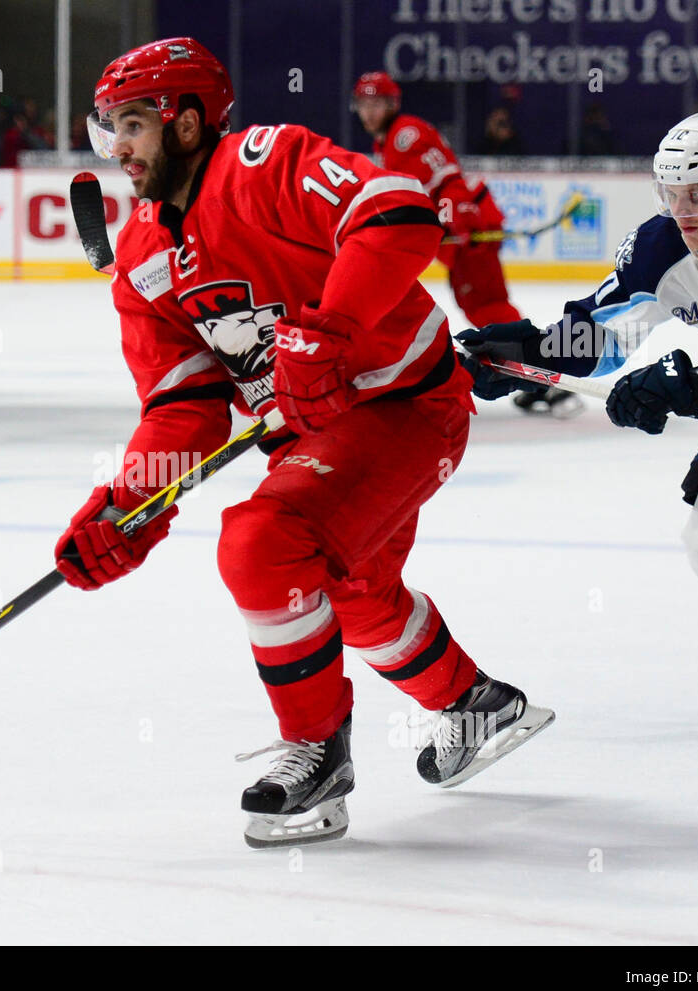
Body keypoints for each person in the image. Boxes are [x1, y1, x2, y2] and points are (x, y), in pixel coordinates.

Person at [59, 38, 553, 848]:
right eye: (107, 128)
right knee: (350, 597)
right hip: (317, 435)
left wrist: (327, 332)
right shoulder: (143, 258)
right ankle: (481, 706)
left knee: (264, 541)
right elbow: (184, 405)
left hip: (405, 404)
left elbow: (398, 211)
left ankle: (318, 753)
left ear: (186, 122)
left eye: (133, 124)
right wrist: (128, 501)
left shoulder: (263, 163)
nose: (117, 147)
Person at [461, 113, 698, 601]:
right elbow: (601, 337)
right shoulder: (660, 248)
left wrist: (696, 387)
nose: (681, 212)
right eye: (671, 194)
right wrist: (525, 355)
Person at [352, 71, 579, 418]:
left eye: (377, 104)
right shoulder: (391, 138)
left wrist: (456, 217)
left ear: (392, 104)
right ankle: (540, 381)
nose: (369, 112)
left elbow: (448, 182)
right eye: (364, 104)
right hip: (461, 230)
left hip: (468, 230)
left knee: (490, 310)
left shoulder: (404, 136)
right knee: (483, 308)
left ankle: (549, 383)